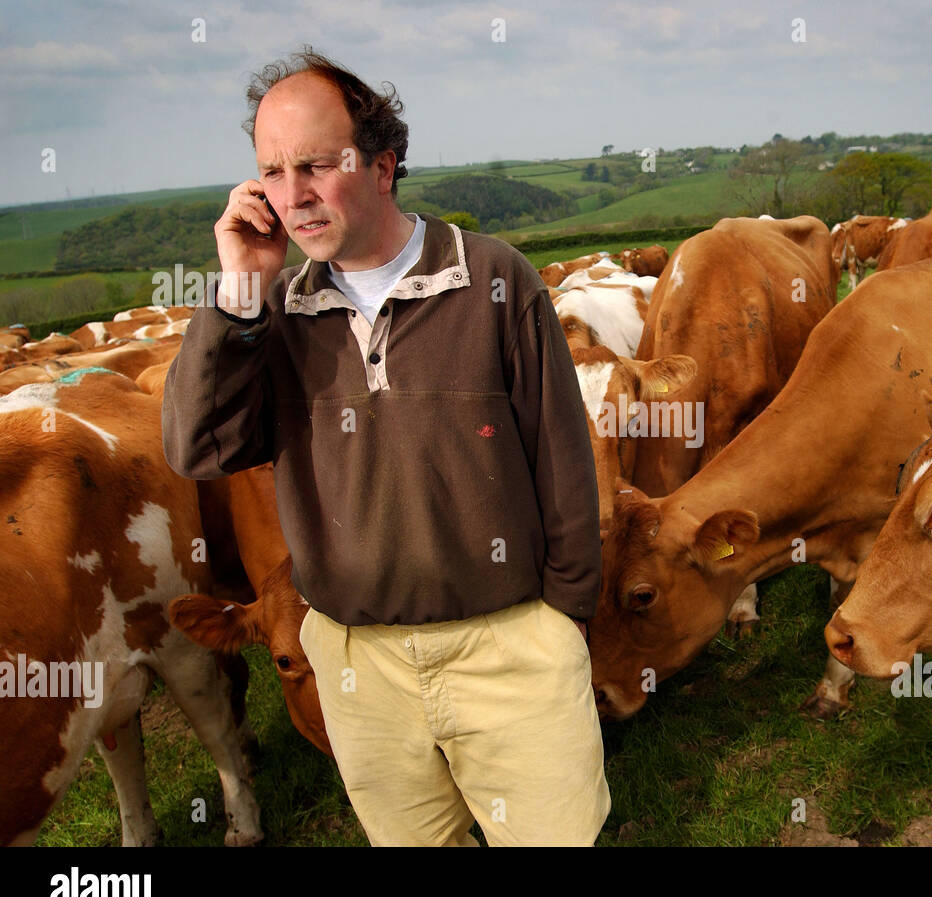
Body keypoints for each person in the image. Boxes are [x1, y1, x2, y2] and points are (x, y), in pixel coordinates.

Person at [162, 47, 609, 846]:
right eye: (270, 172)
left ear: (381, 164)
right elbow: (198, 446)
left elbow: (564, 463)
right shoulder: (276, 316)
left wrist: (562, 622)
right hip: (356, 661)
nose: (292, 195)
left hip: (508, 645)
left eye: (315, 165)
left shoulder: (495, 280)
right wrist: (239, 291)